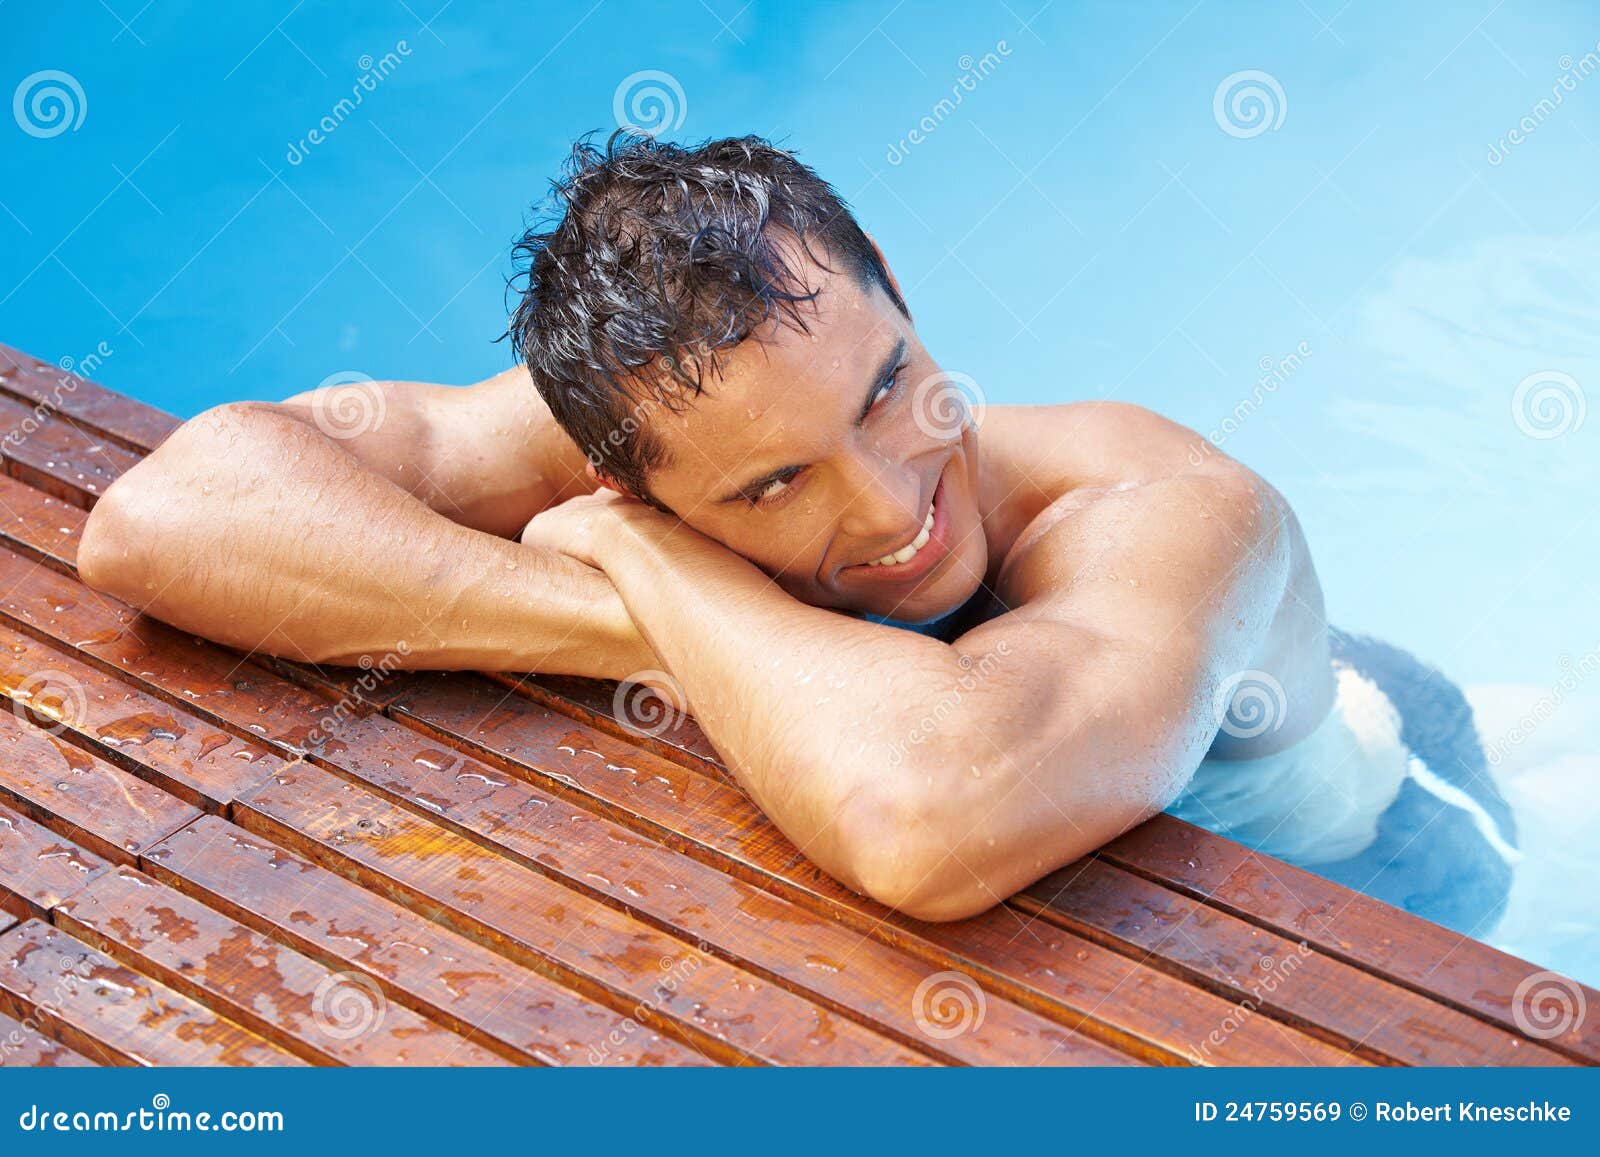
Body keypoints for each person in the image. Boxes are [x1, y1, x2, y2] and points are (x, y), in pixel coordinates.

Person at [78, 133, 1516, 932]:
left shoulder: (1168, 504)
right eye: (771, 489)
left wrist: (664, 569)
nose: (889, 507)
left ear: (889, 281)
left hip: (1370, 817)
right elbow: (167, 515)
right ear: (624, 476)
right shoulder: (658, 414)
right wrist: (643, 613)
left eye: (887, 388)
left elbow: (935, 823)